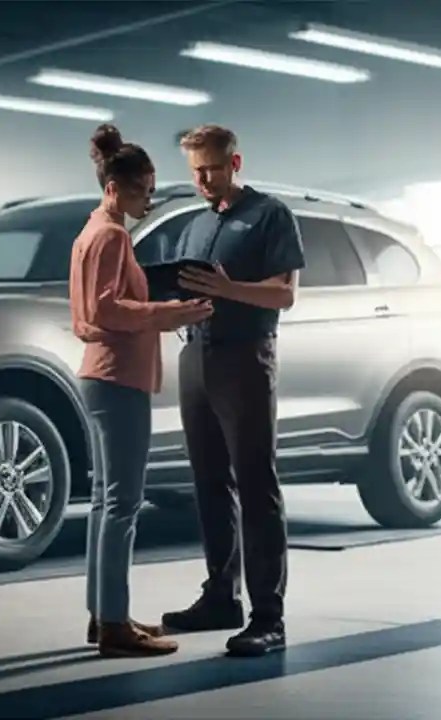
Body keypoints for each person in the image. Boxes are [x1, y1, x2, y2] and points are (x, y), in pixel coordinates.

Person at [69, 123, 214, 658]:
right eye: (143, 190)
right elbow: (105, 309)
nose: (149, 199)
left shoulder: (91, 231)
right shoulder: (111, 236)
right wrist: (170, 312)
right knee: (124, 504)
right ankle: (113, 626)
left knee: (107, 504)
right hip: (117, 377)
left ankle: (103, 615)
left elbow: (88, 314)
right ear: (115, 187)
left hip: (100, 375)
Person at [163, 124, 306, 657]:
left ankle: (269, 617)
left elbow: (284, 294)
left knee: (255, 483)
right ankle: (222, 595)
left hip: (246, 357)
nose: (203, 179)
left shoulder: (270, 215)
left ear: (235, 163)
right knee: (208, 482)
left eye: (212, 169)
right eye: (195, 171)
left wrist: (227, 289)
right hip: (195, 355)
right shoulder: (195, 226)